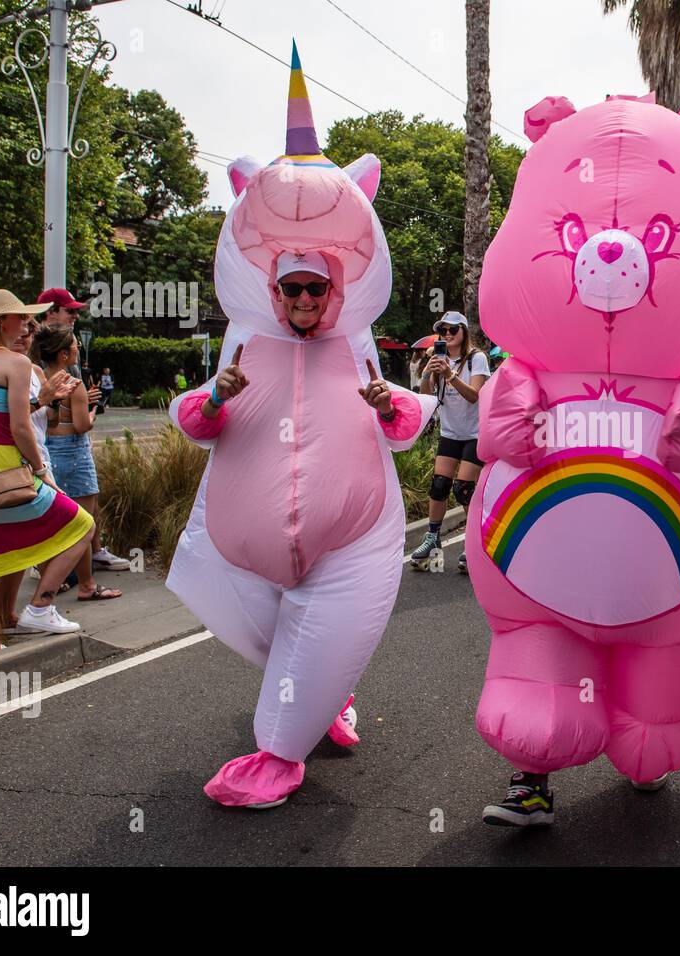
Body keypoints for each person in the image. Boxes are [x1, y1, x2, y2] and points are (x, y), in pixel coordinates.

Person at [165, 54, 437, 809]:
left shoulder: (356, 339)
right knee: (275, 639)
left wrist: (388, 405)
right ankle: (324, 692)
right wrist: (213, 399)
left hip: (353, 534)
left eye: (317, 286)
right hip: (242, 540)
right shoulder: (245, 340)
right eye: (293, 287)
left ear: (334, 287)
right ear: (274, 288)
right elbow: (195, 421)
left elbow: (405, 423)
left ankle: (280, 754)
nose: (306, 298)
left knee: (329, 630)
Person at [0, 290, 95, 651]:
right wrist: (40, 470)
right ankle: (41, 606)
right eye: (20, 317)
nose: (27, 323)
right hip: (8, 477)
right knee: (82, 525)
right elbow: (21, 428)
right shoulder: (16, 363)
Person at [34, 328, 123, 601]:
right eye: (75, 346)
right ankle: (87, 585)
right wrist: (92, 413)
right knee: (83, 523)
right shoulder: (73, 383)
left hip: (47, 452)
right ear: (63, 354)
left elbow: (47, 420)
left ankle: (53, 579)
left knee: (50, 521)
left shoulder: (38, 379)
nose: (78, 349)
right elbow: (81, 425)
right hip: (74, 452)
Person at [408, 311, 489, 572]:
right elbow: (427, 398)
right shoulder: (438, 359)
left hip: (474, 434)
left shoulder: (476, 358)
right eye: (442, 330)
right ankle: (432, 538)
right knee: (439, 485)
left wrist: (450, 375)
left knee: (464, 488)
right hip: (450, 433)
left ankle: (475, 541)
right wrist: (427, 375)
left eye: (453, 329)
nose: (447, 334)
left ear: (464, 331)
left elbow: (475, 395)